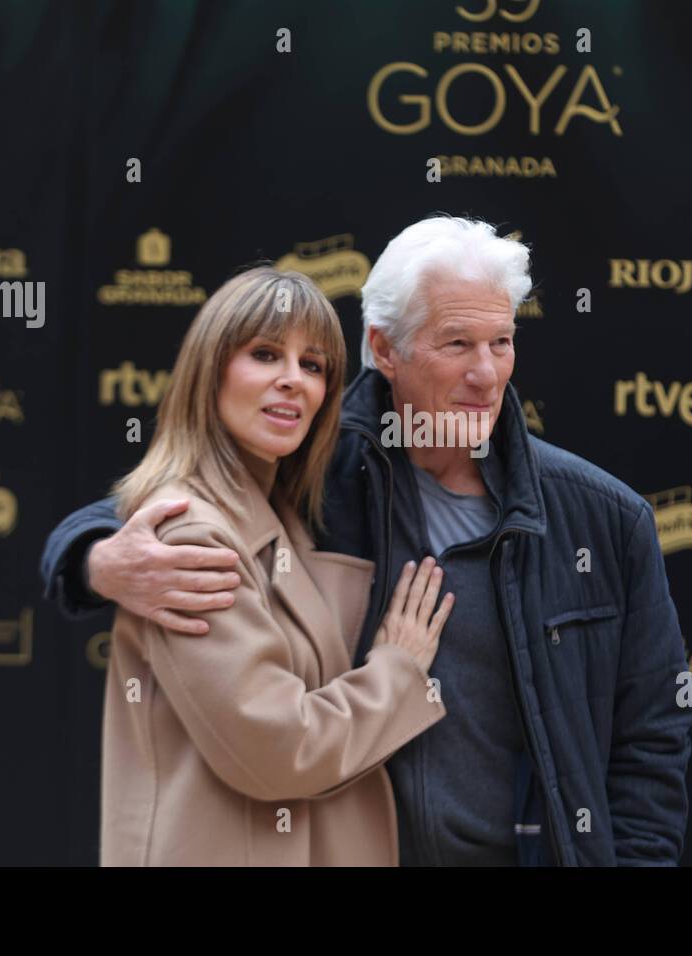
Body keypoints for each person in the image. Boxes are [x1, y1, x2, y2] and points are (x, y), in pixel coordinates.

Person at [42, 216, 692, 866]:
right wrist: (96, 559)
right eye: (457, 343)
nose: (487, 374)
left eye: (501, 341)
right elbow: (170, 501)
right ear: (385, 349)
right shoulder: (310, 477)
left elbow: (650, 744)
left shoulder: (605, 519)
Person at [95, 265, 453, 866]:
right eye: (265, 354)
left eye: (312, 366)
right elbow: (280, 750)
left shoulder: (272, 514)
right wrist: (398, 670)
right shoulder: (189, 532)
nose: (293, 380)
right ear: (210, 372)